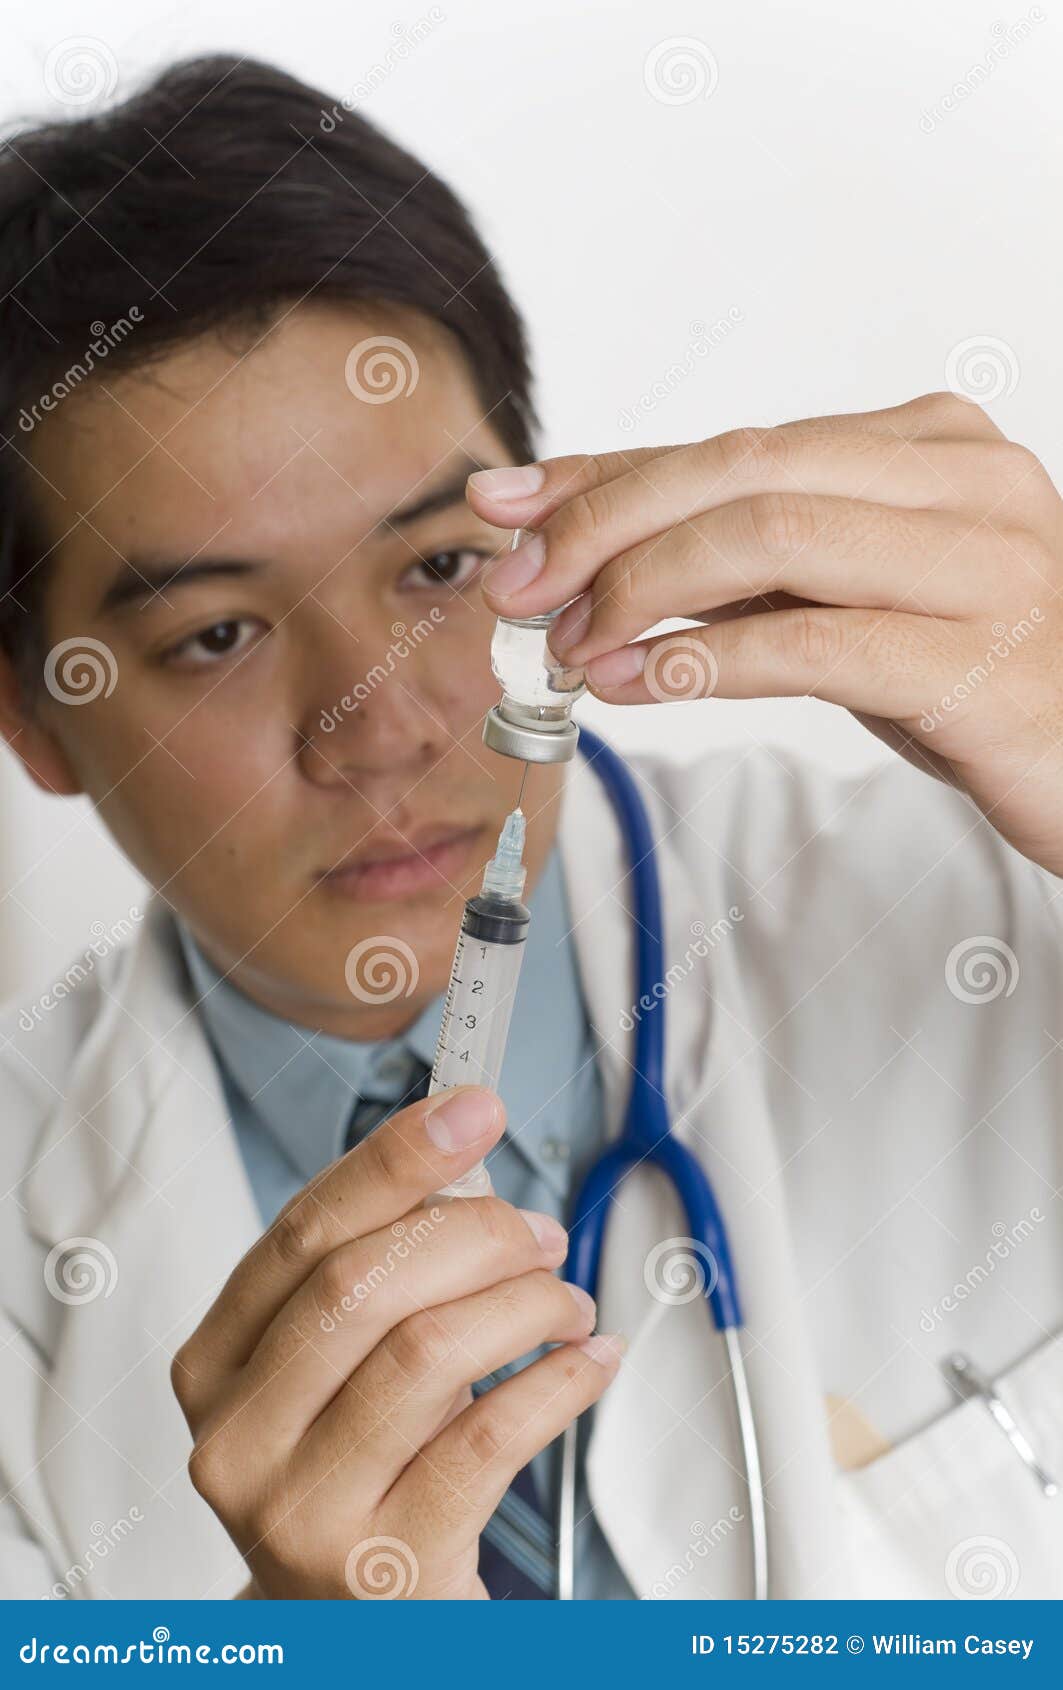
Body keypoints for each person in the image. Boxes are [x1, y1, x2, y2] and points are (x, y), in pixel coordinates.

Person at [1, 55, 1061, 1604]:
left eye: (436, 566)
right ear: (34, 716)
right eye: (217, 635)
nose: (381, 724)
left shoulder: (992, 906)